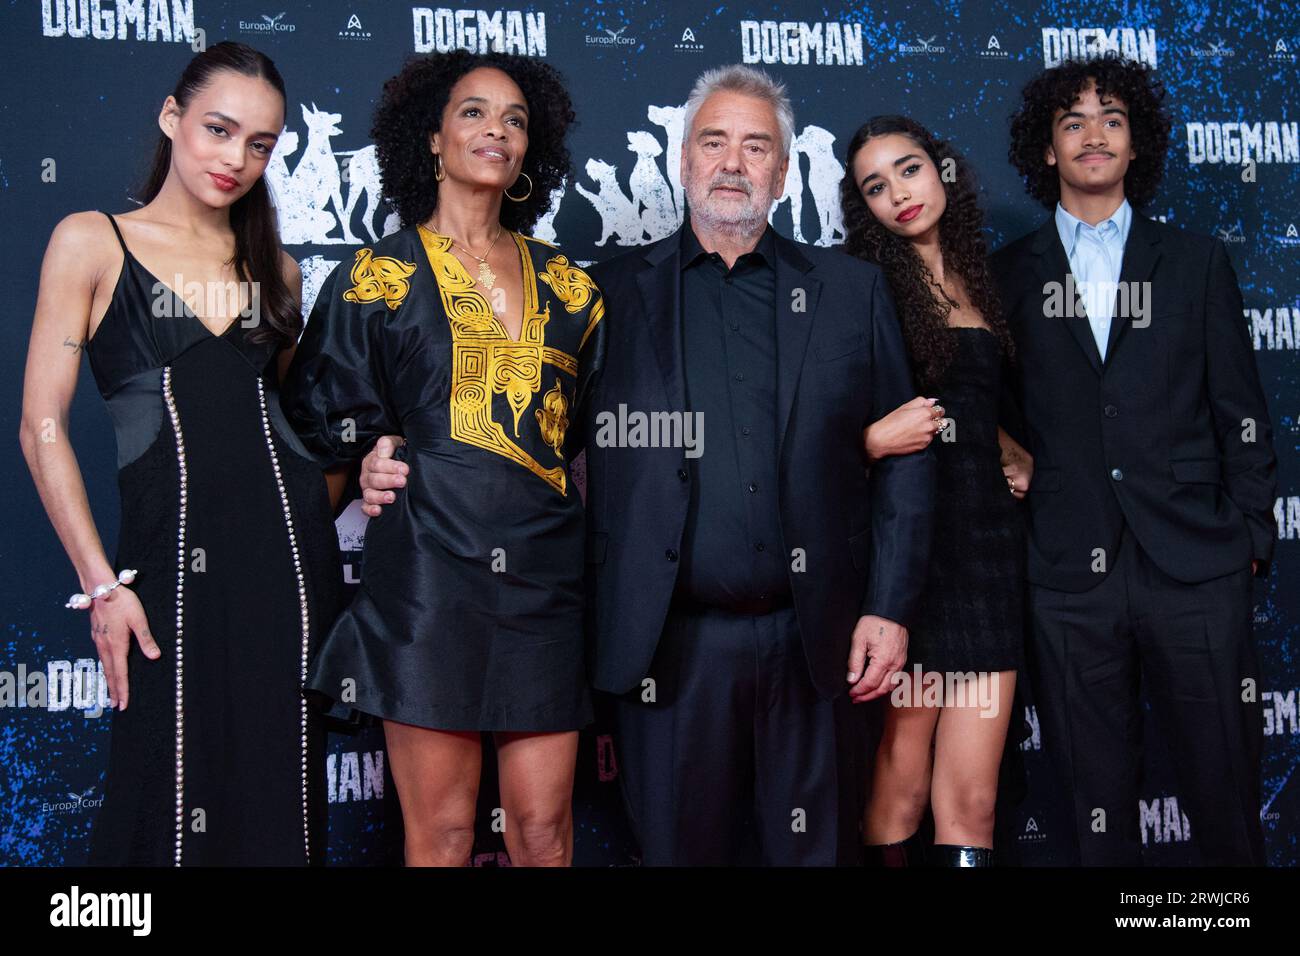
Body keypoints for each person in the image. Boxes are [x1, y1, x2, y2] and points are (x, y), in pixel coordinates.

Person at [363, 63, 934, 866]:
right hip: (666, 655)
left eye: (756, 145)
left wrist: (890, 606)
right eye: (714, 141)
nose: (733, 162)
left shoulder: (850, 292)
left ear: (783, 167)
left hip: (818, 641)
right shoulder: (599, 297)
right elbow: (524, 434)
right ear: (682, 158)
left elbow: (906, 453)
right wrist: (388, 455)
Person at [18, 41, 342, 865]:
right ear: (172, 117)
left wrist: (365, 471)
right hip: (161, 577)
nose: (237, 159)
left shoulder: (281, 273)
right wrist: (101, 587)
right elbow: (39, 426)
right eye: (218, 130)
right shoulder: (90, 241)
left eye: (261, 144)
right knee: (161, 809)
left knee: (281, 805)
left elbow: (285, 438)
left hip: (289, 579)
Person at [279, 51, 604, 867]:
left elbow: (596, 446)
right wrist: (364, 466)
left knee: (542, 832)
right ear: (430, 138)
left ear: (535, 148)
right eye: (473, 112)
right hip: (426, 580)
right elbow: (321, 441)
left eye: (515, 119)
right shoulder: (373, 277)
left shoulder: (574, 290)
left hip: (546, 582)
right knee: (446, 835)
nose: (496, 129)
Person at [993, 53, 1276, 865]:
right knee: (1092, 807)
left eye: (1112, 119)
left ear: (1136, 143)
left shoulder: (1195, 264)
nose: (1093, 135)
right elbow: (993, 415)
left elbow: (1243, 415)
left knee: (1224, 795)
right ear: (1047, 148)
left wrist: (1249, 540)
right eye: (1072, 120)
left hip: (1195, 564)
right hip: (1067, 577)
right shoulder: (1008, 276)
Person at [841, 116, 1030, 866]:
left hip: (989, 554)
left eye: (909, 169)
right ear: (865, 209)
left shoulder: (984, 274)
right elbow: (813, 431)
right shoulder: (862, 290)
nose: (900, 194)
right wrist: (867, 441)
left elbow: (980, 404)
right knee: (903, 783)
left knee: (974, 798)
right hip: (913, 559)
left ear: (941, 171)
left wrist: (1016, 451)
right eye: (876, 187)